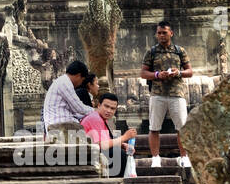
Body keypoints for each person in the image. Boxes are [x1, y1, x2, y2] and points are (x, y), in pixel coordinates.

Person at [140, 20, 193, 168]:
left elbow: (190, 72)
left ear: (171, 33)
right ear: (156, 34)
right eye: (159, 33)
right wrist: (157, 75)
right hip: (158, 93)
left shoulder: (179, 51)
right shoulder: (151, 52)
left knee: (181, 127)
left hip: (177, 93)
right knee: (154, 127)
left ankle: (184, 156)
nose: (162, 35)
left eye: (164, 32)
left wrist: (179, 72)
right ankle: (155, 158)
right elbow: (143, 73)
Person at [81, 91, 137, 175]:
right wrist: (124, 137)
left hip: (92, 153)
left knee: (120, 151)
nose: (109, 111)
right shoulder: (95, 118)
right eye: (106, 106)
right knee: (118, 153)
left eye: (112, 108)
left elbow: (105, 141)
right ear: (99, 105)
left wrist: (122, 144)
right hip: (85, 155)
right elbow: (102, 145)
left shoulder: (100, 118)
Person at [42, 60, 94, 140]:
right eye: (82, 80)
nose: (80, 83)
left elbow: (75, 111)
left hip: (62, 125)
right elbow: (79, 108)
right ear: (78, 76)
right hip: (59, 127)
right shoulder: (64, 83)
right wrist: (96, 111)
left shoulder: (63, 81)